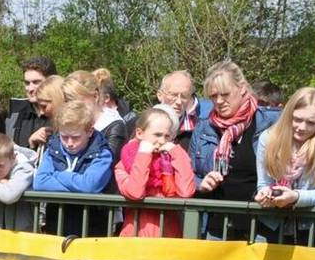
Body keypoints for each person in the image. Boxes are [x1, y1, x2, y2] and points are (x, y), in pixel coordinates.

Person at [189, 61, 280, 240]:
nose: (219, 101)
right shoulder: (203, 128)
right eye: (214, 96)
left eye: (225, 94)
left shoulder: (272, 121)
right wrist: (202, 183)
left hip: (262, 227)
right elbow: (189, 174)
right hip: (217, 227)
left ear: (243, 88)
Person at [253, 86, 315, 247]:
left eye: (311, 123)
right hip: (272, 227)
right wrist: (265, 194)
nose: (302, 127)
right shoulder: (267, 138)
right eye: (297, 119)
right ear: (288, 114)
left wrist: (296, 197)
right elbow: (263, 183)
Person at [32, 101, 115, 237]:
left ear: (89, 131)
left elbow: (89, 186)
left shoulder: (102, 153)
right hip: (56, 228)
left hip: (91, 231)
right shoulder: (53, 148)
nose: (69, 143)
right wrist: (78, 184)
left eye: (75, 137)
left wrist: (59, 175)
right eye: (64, 137)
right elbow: (40, 182)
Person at [116, 108, 196, 238]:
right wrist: (143, 154)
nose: (162, 141)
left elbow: (186, 192)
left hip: (168, 238)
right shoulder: (123, 164)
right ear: (140, 133)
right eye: (157, 135)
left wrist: (177, 152)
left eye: (167, 136)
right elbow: (135, 193)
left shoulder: (172, 161)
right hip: (135, 238)